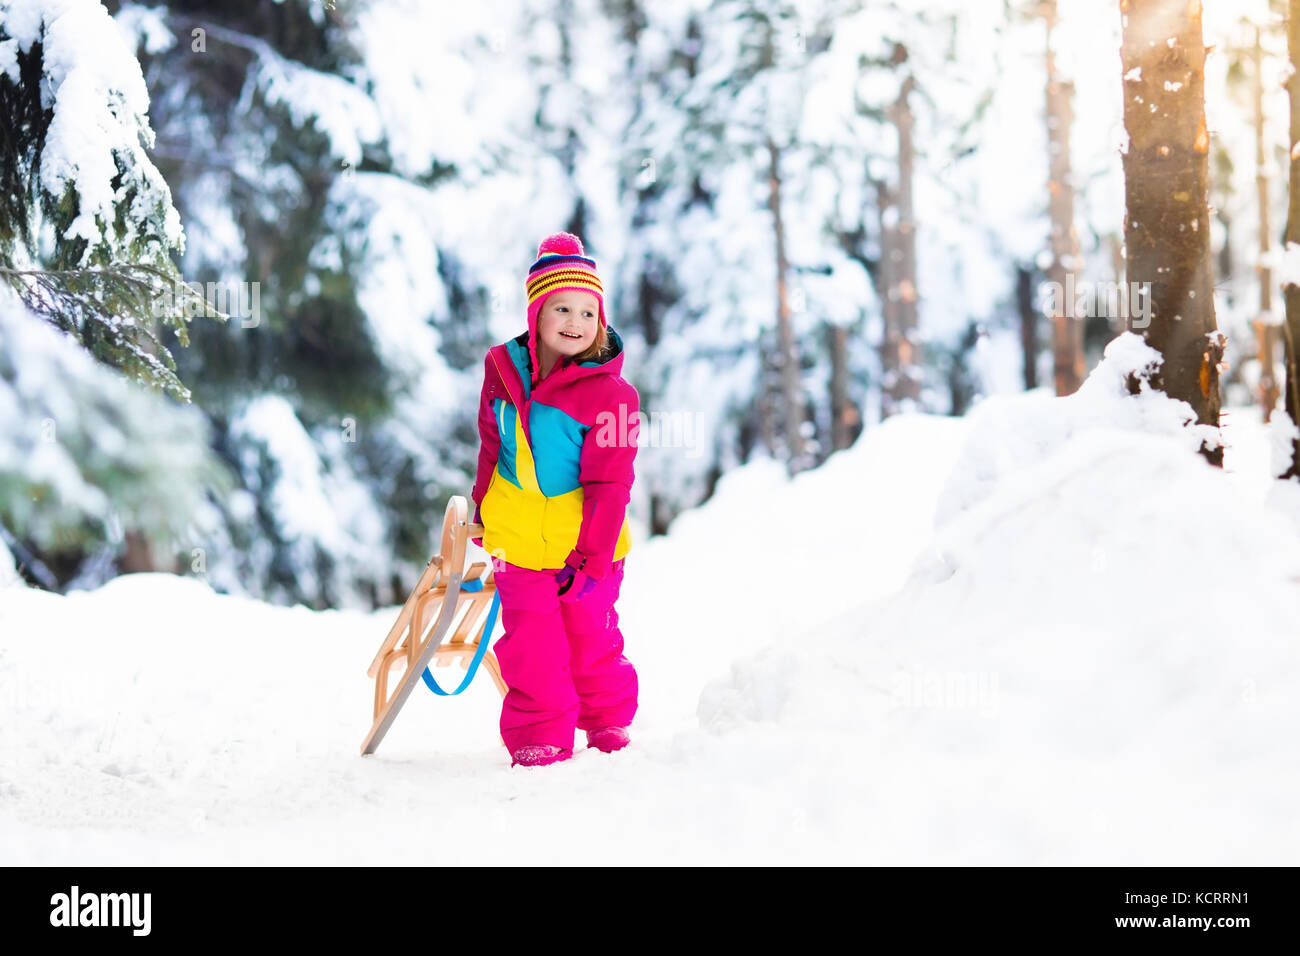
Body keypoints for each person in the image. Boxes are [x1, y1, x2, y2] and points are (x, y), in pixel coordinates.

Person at [471, 232, 640, 768]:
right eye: (562, 307)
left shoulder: (613, 397)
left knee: (591, 638)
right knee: (532, 647)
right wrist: (480, 512)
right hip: (517, 539)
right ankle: (539, 735)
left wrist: (590, 559)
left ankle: (607, 719)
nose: (575, 321)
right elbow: (492, 447)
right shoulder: (501, 374)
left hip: (587, 546)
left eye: (588, 312)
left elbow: (612, 485)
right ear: (537, 312)